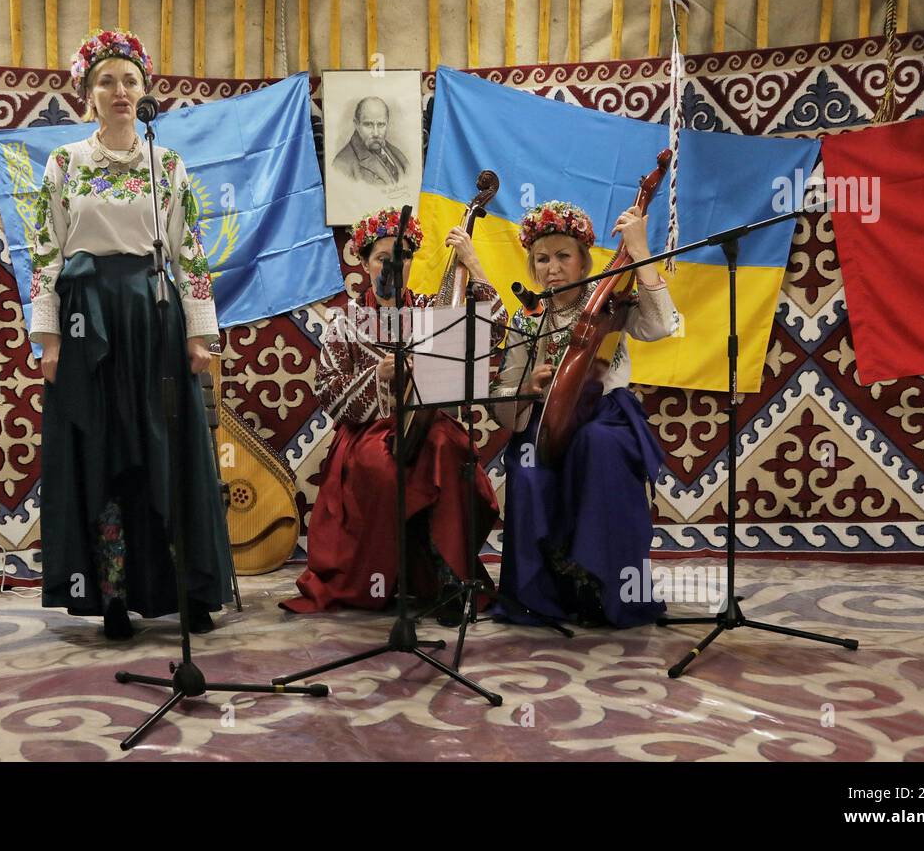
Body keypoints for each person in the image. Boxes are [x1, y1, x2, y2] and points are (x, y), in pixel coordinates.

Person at [28, 28, 232, 640]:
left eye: (129, 81)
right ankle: (113, 595)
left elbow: (188, 251)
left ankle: (186, 589)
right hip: (90, 323)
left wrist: (199, 333)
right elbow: (46, 251)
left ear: (147, 93)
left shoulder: (165, 164)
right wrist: (49, 338)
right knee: (106, 455)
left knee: (167, 451)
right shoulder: (65, 164)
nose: (119, 91)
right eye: (106, 82)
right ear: (87, 95)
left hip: (154, 317)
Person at [282, 208, 504, 621]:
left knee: (450, 448)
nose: (393, 265)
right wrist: (376, 375)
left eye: (403, 256)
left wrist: (472, 264)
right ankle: (404, 579)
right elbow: (330, 396)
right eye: (384, 257)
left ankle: (448, 579)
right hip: (365, 433)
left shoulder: (429, 308)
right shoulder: (343, 320)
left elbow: (495, 331)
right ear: (364, 264)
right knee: (385, 470)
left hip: (426, 421)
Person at [490, 200, 681, 628]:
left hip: (604, 415)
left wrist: (642, 253)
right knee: (528, 468)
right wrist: (526, 388)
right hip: (544, 423)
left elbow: (664, 325)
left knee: (599, 447)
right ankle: (540, 596)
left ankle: (602, 587)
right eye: (542, 258)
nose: (552, 267)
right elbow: (503, 389)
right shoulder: (528, 318)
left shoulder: (612, 304)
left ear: (583, 262)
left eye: (563, 256)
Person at [331, 97, 409, 186]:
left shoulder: (397, 153)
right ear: (356, 125)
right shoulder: (341, 166)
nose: (376, 133)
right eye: (368, 124)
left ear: (387, 124)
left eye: (381, 124)